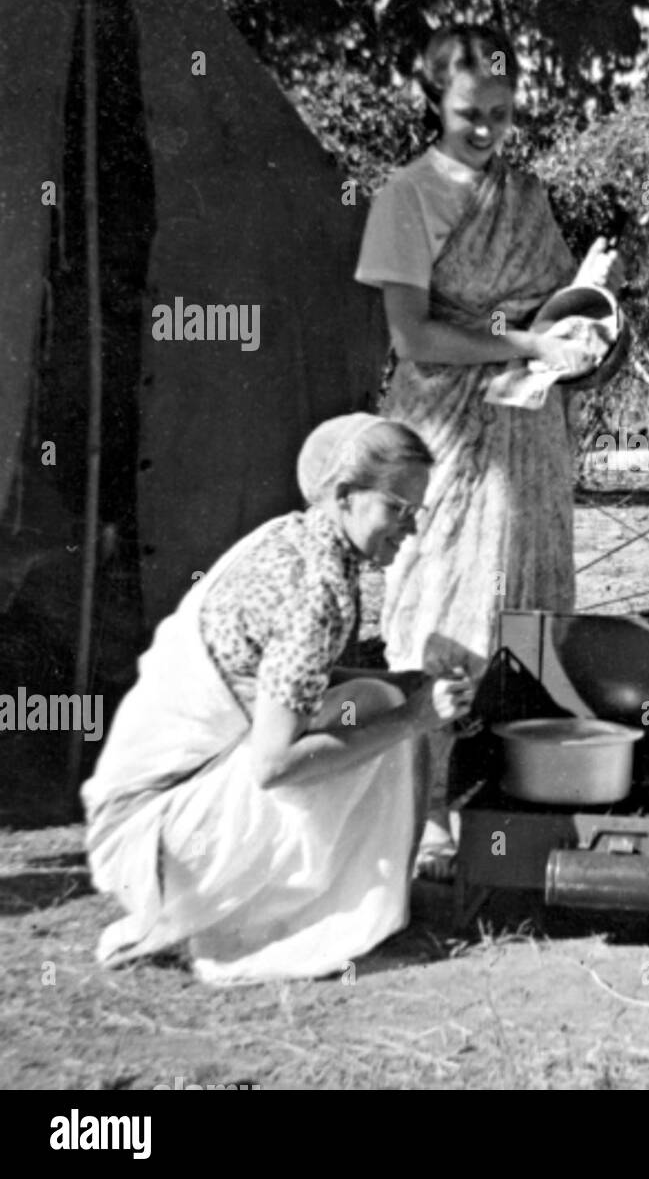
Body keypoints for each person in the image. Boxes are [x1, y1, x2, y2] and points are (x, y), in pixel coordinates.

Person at [81, 414, 474, 984]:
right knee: (385, 718)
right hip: (159, 845)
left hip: (149, 823)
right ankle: (305, 915)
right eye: (398, 509)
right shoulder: (315, 589)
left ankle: (339, 897)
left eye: (418, 513)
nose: (410, 530)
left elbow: (290, 679)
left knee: (377, 696)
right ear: (343, 497)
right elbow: (273, 767)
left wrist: (412, 685)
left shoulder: (297, 537)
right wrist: (414, 718)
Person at [354, 22, 620, 682]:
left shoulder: (525, 195)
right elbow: (410, 335)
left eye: (500, 116)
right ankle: (430, 742)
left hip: (527, 428)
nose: (485, 131)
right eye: (469, 114)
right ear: (435, 103)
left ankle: (521, 741)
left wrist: (588, 291)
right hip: (444, 427)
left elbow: (552, 307)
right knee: (444, 584)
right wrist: (526, 341)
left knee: (526, 589)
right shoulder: (406, 198)